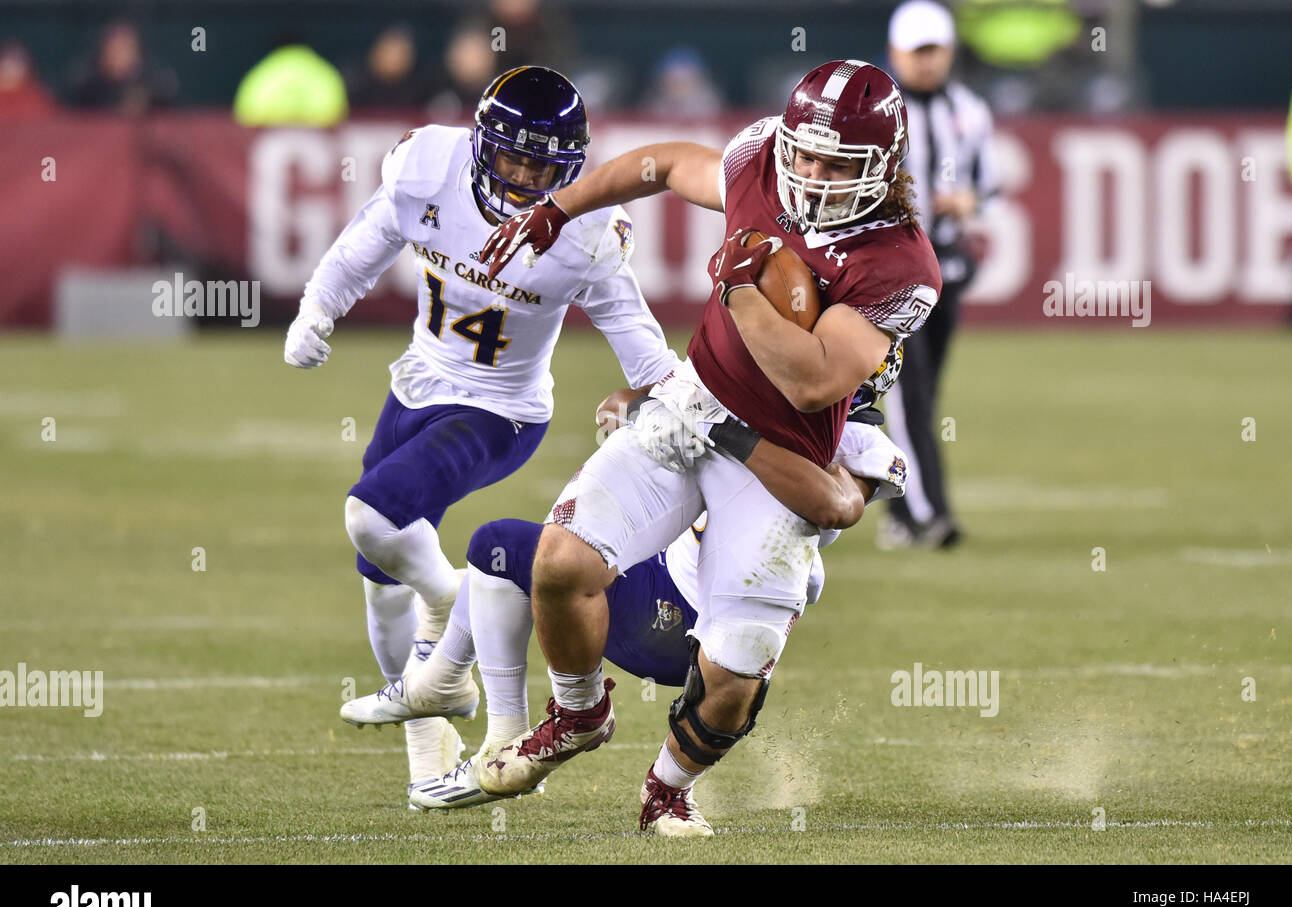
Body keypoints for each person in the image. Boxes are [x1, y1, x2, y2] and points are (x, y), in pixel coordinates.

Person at [472, 59, 940, 835]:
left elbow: (816, 382)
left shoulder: (901, 266)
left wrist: (740, 289)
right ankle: (579, 715)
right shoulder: (762, 157)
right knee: (561, 560)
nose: (814, 174)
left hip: (779, 452)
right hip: (695, 403)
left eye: (837, 163)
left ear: (883, 167)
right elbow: (662, 164)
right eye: (807, 154)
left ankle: (667, 787)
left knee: (736, 665)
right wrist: (560, 204)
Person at [284, 66, 677, 789]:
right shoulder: (427, 166)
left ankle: (455, 603)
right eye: (512, 157)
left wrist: (668, 394)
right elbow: (364, 242)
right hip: (415, 384)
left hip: (500, 410)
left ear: (571, 168)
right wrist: (318, 307)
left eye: (542, 164)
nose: (525, 176)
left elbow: (638, 337)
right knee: (379, 583)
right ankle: (428, 762)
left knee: (371, 517)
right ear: (478, 146)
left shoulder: (586, 231)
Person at [343, 382, 908, 823]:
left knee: (504, 546)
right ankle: (450, 685)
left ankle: (494, 720)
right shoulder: (752, 396)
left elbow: (833, 502)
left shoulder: (853, 443)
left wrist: (730, 430)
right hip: (699, 618)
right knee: (546, 545)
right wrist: (641, 404)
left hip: (676, 614)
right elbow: (662, 399)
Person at [879, 0, 999, 549]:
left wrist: (968, 200)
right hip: (891, 270)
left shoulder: (969, 111)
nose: (926, 62)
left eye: (935, 51)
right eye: (917, 51)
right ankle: (931, 515)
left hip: (945, 264)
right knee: (908, 392)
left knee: (924, 397)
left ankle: (902, 512)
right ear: (896, 52)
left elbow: (989, 182)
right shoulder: (879, 111)